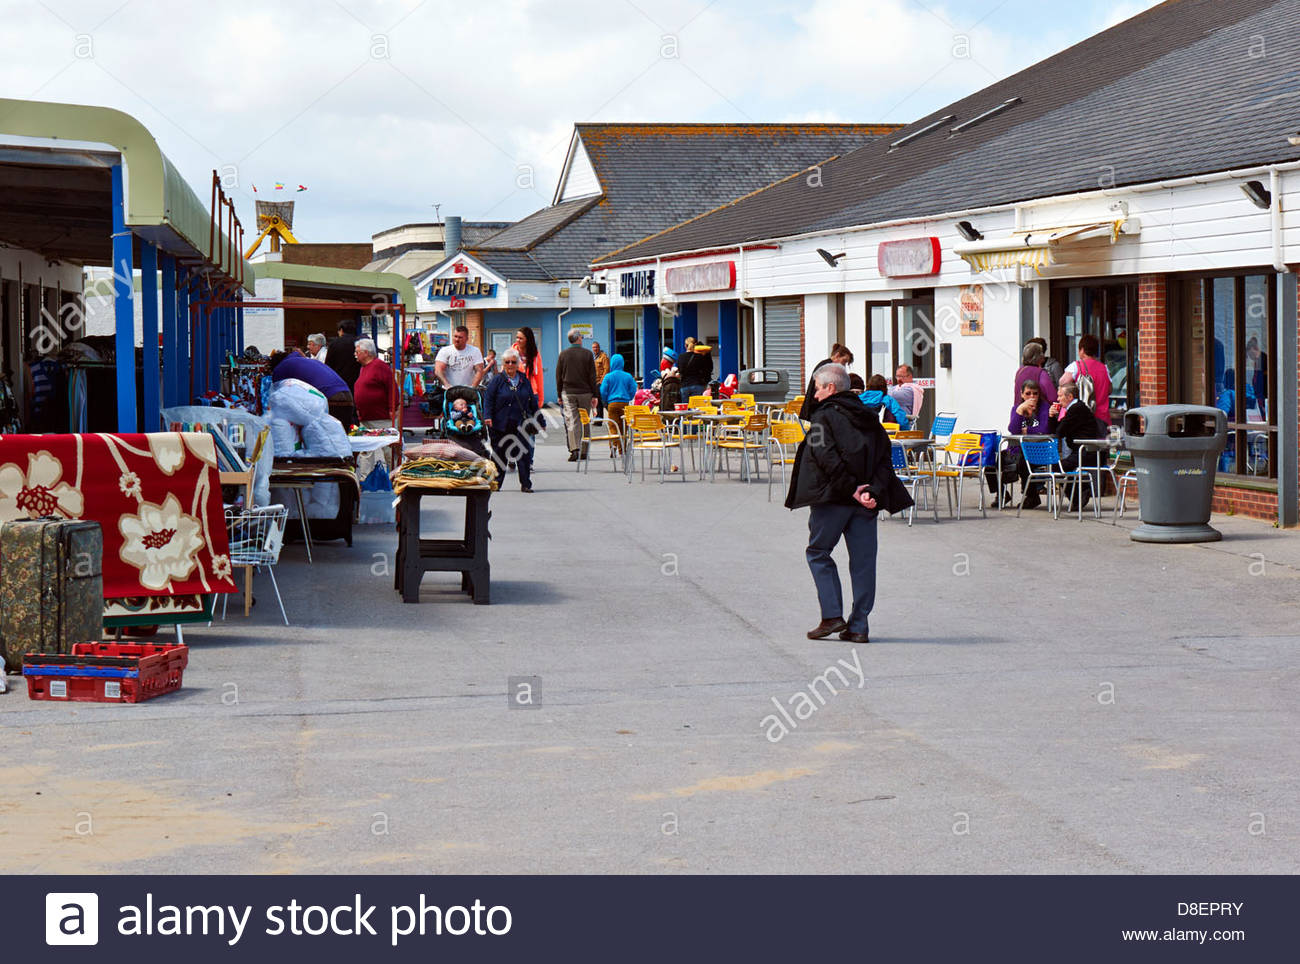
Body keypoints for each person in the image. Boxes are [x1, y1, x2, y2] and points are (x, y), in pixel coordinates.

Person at [785, 363, 912, 644]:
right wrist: (872, 492)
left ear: (830, 388)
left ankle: (832, 616)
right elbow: (884, 462)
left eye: (816, 388)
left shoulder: (823, 418)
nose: (814, 395)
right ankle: (858, 626)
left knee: (818, 552)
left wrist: (851, 490)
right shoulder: (871, 418)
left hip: (833, 500)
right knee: (864, 563)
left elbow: (825, 456)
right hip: (866, 503)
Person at [1022, 381, 1102, 511]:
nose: (1057, 399)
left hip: (1087, 453)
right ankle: (1078, 495)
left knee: (1056, 467)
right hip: (1081, 452)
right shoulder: (1074, 408)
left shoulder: (1076, 409)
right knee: (1058, 466)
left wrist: (1054, 417)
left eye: (1060, 396)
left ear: (1069, 397)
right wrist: (1052, 416)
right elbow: (1057, 431)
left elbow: (1060, 432)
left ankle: (1081, 491)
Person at [484, 349, 538, 492]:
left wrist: (540, 420)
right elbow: (488, 399)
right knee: (499, 455)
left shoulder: (523, 379)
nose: (510, 365)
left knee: (523, 455)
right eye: (507, 362)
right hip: (500, 424)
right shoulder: (497, 380)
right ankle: (496, 483)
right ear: (503, 363)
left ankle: (526, 484)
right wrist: (487, 416)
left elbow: (532, 400)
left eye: (513, 362)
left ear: (517, 364)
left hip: (520, 424)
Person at [269, 348, 354, 429]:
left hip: (330, 396)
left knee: (326, 437)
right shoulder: (307, 361)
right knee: (342, 437)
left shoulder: (281, 368)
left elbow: (278, 396)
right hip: (346, 393)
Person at [555, 327, 600, 462]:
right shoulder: (587, 354)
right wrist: (595, 395)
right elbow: (593, 376)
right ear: (579, 338)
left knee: (572, 420)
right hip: (585, 392)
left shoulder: (563, 355)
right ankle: (585, 450)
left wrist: (559, 394)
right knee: (585, 420)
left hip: (568, 392)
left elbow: (559, 376)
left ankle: (575, 449)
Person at [1004, 379, 1050, 503]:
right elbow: (1013, 429)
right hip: (1016, 449)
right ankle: (1002, 494)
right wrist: (1020, 411)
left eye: (1035, 393)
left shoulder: (1044, 408)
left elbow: (1044, 429)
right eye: (1028, 393)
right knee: (994, 461)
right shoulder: (1017, 408)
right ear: (1022, 394)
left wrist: (1026, 430)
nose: (1032, 397)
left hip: (1038, 450)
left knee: (1023, 461)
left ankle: (1032, 496)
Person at [1063, 333, 1112, 425]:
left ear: (1082, 350)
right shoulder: (1104, 368)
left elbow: (1062, 384)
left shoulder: (1075, 367)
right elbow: (1109, 390)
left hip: (1080, 419)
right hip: (1102, 418)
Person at [352, 338, 399, 430]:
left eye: (357, 352)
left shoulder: (379, 366)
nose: (355, 354)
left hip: (381, 419)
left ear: (366, 353)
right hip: (366, 418)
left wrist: (392, 409)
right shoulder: (363, 368)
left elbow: (392, 388)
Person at [799, 343, 854, 421]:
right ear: (837, 356)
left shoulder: (824, 365)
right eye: (844, 361)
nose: (843, 365)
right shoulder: (829, 369)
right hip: (816, 408)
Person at [599, 353, 638, 456]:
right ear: (622, 363)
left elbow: (603, 391)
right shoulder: (628, 376)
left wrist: (606, 400)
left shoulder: (608, 377)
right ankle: (622, 450)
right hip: (625, 404)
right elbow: (634, 388)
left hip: (612, 404)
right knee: (623, 427)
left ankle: (613, 446)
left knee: (613, 425)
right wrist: (629, 397)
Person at [325, 320, 362, 391]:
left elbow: (328, 364)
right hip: (356, 380)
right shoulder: (359, 343)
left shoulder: (334, 344)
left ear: (341, 330)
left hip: (339, 381)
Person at [514, 327, 544, 407]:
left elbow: (539, 377)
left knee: (532, 419)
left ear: (527, 340)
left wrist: (541, 398)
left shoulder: (535, 355)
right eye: (517, 338)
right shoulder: (511, 353)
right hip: (515, 394)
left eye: (521, 338)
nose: (518, 340)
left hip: (532, 393)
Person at [591, 341, 611, 417]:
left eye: (596, 347)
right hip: (596, 383)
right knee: (598, 402)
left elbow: (606, 370)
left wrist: (601, 382)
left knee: (604, 402)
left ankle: (614, 415)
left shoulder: (604, 357)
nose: (595, 349)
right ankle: (599, 420)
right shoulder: (594, 357)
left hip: (601, 383)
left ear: (599, 348)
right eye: (593, 347)